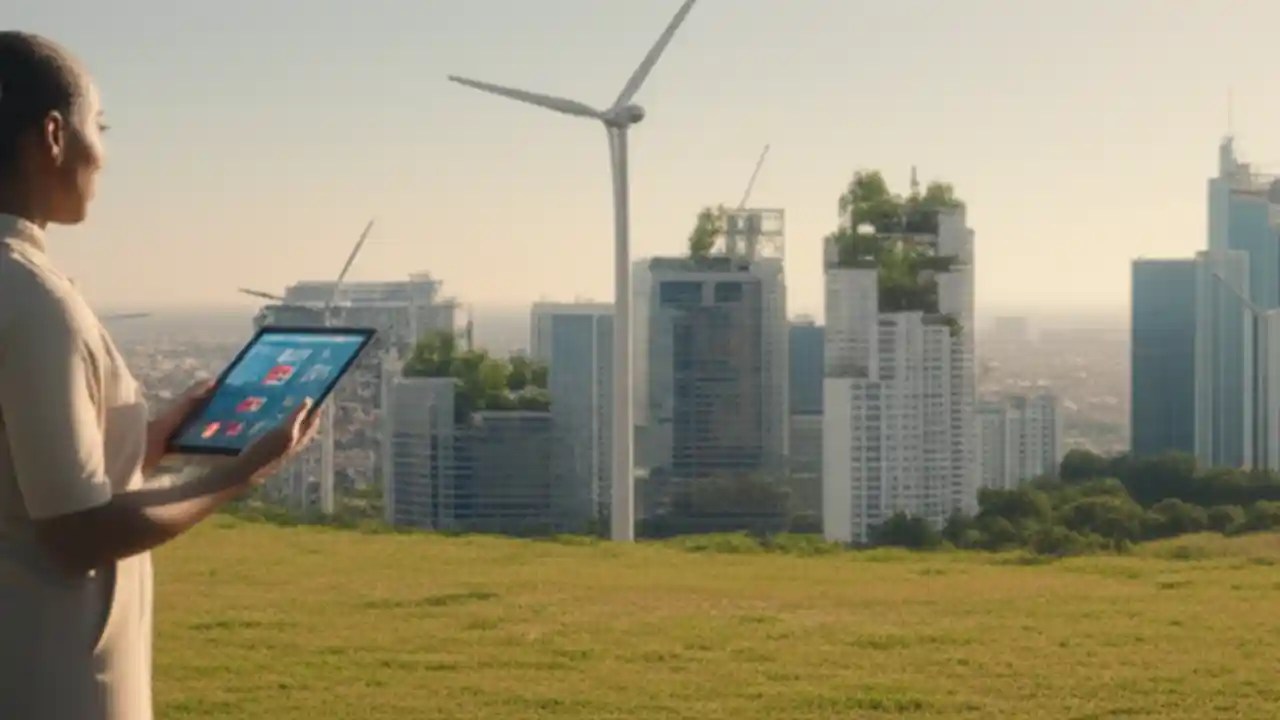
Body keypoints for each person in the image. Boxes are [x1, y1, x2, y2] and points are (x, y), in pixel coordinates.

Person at [0, 31, 322, 719]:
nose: (104, 154)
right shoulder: (33, 299)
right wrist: (237, 474)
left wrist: (148, 443)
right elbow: (73, 531)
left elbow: (28, 481)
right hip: (52, 680)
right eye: (100, 126)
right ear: (54, 135)